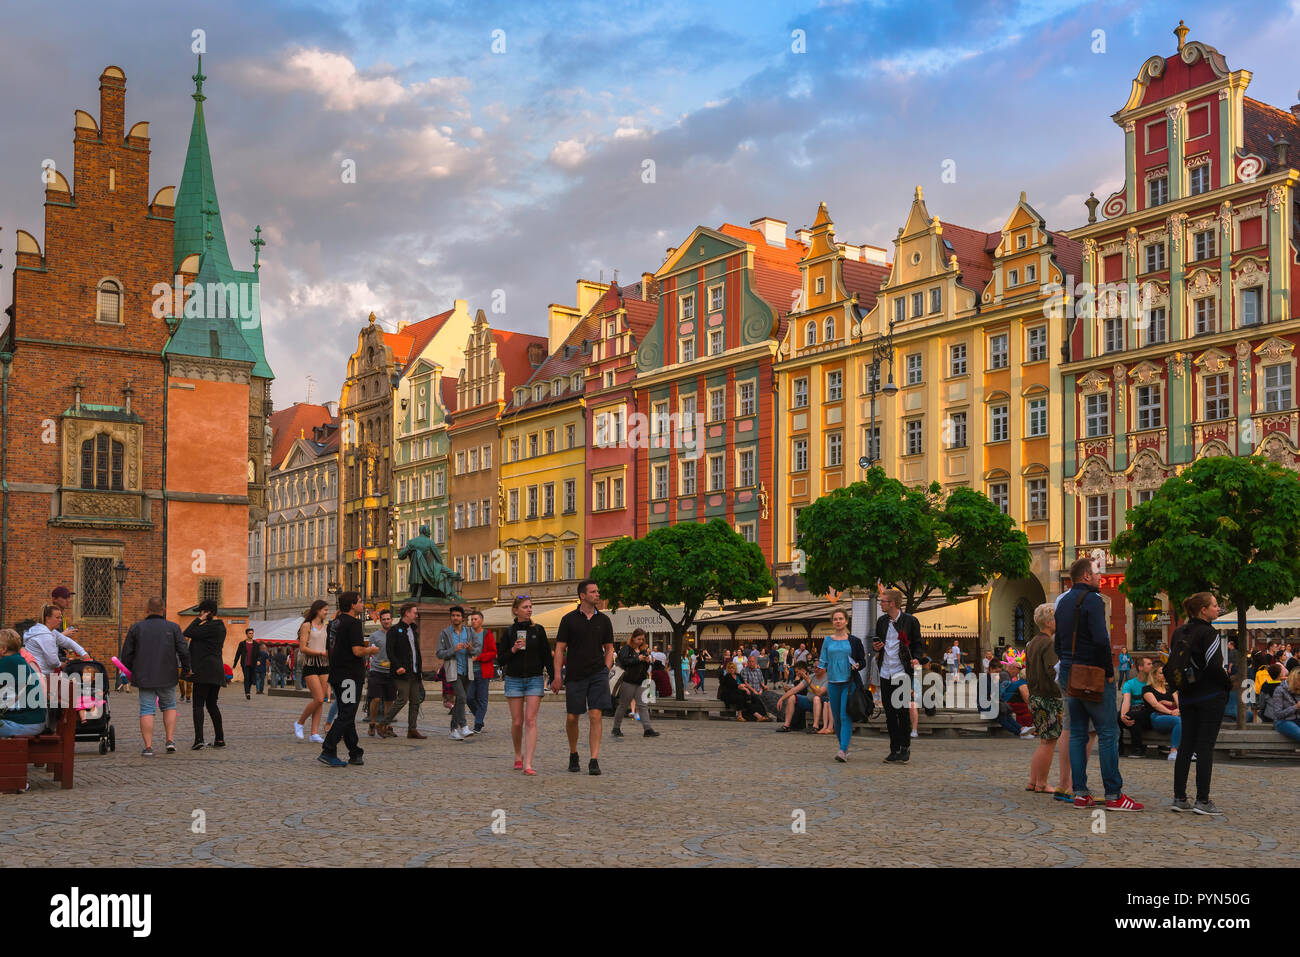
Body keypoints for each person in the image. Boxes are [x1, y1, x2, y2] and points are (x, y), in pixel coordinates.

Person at [1055, 557, 1142, 810]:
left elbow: (1059, 643)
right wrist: (1109, 671)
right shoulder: (1092, 599)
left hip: (1070, 671)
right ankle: (1114, 794)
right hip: (1092, 671)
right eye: (1096, 573)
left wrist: (1068, 662)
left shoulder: (1063, 601)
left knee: (1078, 733)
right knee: (1107, 732)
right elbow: (1101, 639)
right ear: (1085, 576)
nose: (1100, 577)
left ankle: (1080, 792)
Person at [1168, 592, 1232, 815]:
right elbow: (1214, 665)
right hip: (1209, 695)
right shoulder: (1209, 633)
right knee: (1205, 747)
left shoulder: (1178, 632)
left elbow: (1171, 664)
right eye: (1215, 606)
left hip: (1186, 695)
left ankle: (1179, 797)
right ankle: (1203, 800)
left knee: (1186, 745)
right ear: (1203, 610)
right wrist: (1227, 685)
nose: (1217, 609)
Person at [552, 579, 616, 775]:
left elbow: (609, 648)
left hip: (597, 674)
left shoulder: (604, 620)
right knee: (573, 717)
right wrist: (557, 676)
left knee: (596, 715)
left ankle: (594, 759)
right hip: (575, 674)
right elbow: (560, 648)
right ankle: (573, 753)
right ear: (583, 596)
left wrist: (606, 669)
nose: (598, 594)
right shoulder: (569, 619)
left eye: (598, 591)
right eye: (593, 592)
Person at [120, 597, 190, 756]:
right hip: (168, 675)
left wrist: (131, 672)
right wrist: (186, 670)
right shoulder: (173, 627)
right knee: (170, 707)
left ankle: (149, 747)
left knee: (146, 710)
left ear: (147, 610)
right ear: (164, 610)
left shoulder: (136, 628)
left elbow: (126, 655)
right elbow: (184, 651)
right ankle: (170, 740)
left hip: (144, 676)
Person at [318, 591, 378, 767]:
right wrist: (371, 650)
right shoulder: (353, 624)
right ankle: (328, 749)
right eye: (360, 601)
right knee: (347, 713)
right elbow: (357, 651)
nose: (362, 604)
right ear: (352, 605)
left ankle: (355, 752)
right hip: (350, 676)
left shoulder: (334, 623)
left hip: (337, 673)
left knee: (347, 712)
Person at [499, 595, 553, 774]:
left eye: (530, 606)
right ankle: (517, 754)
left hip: (534, 678)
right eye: (525, 607)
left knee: (530, 720)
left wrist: (554, 677)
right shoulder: (508, 632)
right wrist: (513, 649)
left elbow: (546, 655)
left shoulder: (538, 629)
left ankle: (528, 763)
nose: (529, 610)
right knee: (517, 722)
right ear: (515, 610)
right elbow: (500, 659)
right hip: (514, 678)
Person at [1025, 604, 1068, 796]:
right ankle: (1042, 783)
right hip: (1048, 697)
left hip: (1035, 695)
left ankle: (1033, 781)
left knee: (1044, 741)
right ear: (1050, 622)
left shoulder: (1032, 642)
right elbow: (1053, 671)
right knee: (1049, 741)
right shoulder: (1049, 643)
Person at [874, 589, 920, 764]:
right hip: (886, 671)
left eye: (883, 601)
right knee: (890, 713)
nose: (881, 603)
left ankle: (905, 747)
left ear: (892, 603)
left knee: (902, 711)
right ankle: (894, 749)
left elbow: (917, 644)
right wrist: (876, 647)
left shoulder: (910, 621)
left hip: (902, 671)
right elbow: (877, 642)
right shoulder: (881, 621)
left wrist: (916, 658)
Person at [816, 608, 867, 762]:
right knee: (837, 718)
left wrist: (857, 665)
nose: (838, 621)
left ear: (846, 621)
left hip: (849, 682)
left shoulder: (854, 641)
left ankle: (842, 750)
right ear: (832, 622)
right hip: (832, 682)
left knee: (845, 716)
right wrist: (818, 669)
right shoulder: (827, 640)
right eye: (835, 619)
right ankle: (843, 746)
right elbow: (823, 659)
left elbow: (862, 661)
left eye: (840, 618)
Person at [183, 600, 226, 750]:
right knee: (212, 704)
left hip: (204, 672)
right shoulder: (220, 627)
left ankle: (199, 739)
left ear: (208, 612)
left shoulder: (209, 627)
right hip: (216, 671)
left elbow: (187, 632)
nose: (199, 614)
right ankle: (220, 739)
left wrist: (199, 620)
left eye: (201, 612)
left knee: (198, 704)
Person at [387, 603, 428, 740]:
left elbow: (415, 652)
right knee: (402, 699)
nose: (416, 615)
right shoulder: (395, 630)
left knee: (415, 701)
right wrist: (398, 666)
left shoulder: (413, 629)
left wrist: (419, 669)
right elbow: (390, 651)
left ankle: (412, 729)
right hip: (402, 672)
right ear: (407, 613)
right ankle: (383, 723)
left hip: (414, 671)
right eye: (415, 613)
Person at [293, 601, 330, 743]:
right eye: (325, 610)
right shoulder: (307, 626)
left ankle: (314, 733)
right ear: (318, 610)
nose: (326, 612)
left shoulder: (326, 627)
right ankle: (300, 722)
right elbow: (303, 648)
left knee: (321, 701)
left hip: (324, 665)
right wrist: (321, 653)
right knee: (319, 698)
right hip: (311, 664)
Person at [612, 629, 659, 739]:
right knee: (623, 705)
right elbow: (623, 661)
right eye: (639, 639)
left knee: (643, 705)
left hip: (641, 681)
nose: (641, 641)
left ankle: (647, 729)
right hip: (628, 681)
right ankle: (616, 728)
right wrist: (637, 659)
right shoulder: (626, 649)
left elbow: (645, 667)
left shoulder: (643, 650)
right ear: (633, 638)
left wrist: (647, 662)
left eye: (642, 639)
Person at [0, 629, 46, 738]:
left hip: (26, 723)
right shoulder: (17, 660)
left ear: (3, 649)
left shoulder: (8, 662)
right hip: (29, 720)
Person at [22, 605, 89, 674]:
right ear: (48, 619)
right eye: (57, 618)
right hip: (40, 674)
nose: (60, 620)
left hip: (37, 671)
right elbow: (53, 661)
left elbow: (66, 641)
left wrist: (83, 653)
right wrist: (61, 664)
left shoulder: (49, 631)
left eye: (61, 618)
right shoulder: (45, 635)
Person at [367, 609, 396, 738]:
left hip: (391, 671)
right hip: (377, 670)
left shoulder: (396, 634)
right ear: (380, 621)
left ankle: (387, 725)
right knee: (376, 699)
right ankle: (372, 723)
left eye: (388, 619)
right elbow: (370, 651)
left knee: (390, 701)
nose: (386, 621)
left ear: (392, 620)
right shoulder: (375, 635)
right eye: (383, 619)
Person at [466, 609, 496, 733]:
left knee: (482, 698)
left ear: (481, 621)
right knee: (469, 698)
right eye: (471, 619)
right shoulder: (467, 634)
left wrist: (478, 657)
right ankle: (479, 717)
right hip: (470, 671)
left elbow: (493, 653)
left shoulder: (487, 635)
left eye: (475, 619)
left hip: (483, 671)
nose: (473, 621)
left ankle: (478, 724)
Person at [1142, 667, 1182, 761]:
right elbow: (1155, 705)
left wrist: (1177, 709)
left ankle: (1190, 750)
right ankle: (1173, 751)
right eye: (1161, 673)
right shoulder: (1147, 689)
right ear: (1154, 675)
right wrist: (1171, 712)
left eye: (1165, 673)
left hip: (1173, 715)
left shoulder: (1170, 688)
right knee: (1178, 721)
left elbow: (1179, 702)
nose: (1164, 675)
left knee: (1189, 720)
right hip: (1157, 716)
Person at [1119, 656, 1155, 755]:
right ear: (1140, 667)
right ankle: (1119, 748)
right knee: (1116, 717)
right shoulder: (1129, 684)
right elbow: (1126, 700)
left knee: (1133, 716)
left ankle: (1138, 749)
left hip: (1148, 712)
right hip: (1133, 712)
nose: (1152, 666)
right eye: (1149, 664)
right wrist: (1123, 716)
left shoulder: (1153, 683)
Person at [774, 660, 813, 731]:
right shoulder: (801, 677)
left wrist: (796, 681)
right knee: (790, 698)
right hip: (801, 697)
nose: (796, 673)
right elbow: (795, 689)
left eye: (797, 671)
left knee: (794, 700)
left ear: (802, 670)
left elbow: (802, 691)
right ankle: (787, 724)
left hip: (808, 698)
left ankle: (794, 724)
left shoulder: (809, 676)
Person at [1268, 667, 1300, 743]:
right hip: (1283, 721)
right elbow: (1278, 714)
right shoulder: (1279, 690)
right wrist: (1295, 707)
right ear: (1294, 680)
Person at [233, 628, 259, 701]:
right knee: (246, 678)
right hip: (245, 664)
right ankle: (247, 692)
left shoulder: (256, 644)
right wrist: (234, 664)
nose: (251, 634)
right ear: (247, 634)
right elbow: (238, 654)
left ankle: (248, 691)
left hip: (253, 664)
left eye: (252, 633)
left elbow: (258, 654)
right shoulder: (242, 644)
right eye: (250, 633)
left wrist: (259, 660)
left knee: (251, 679)